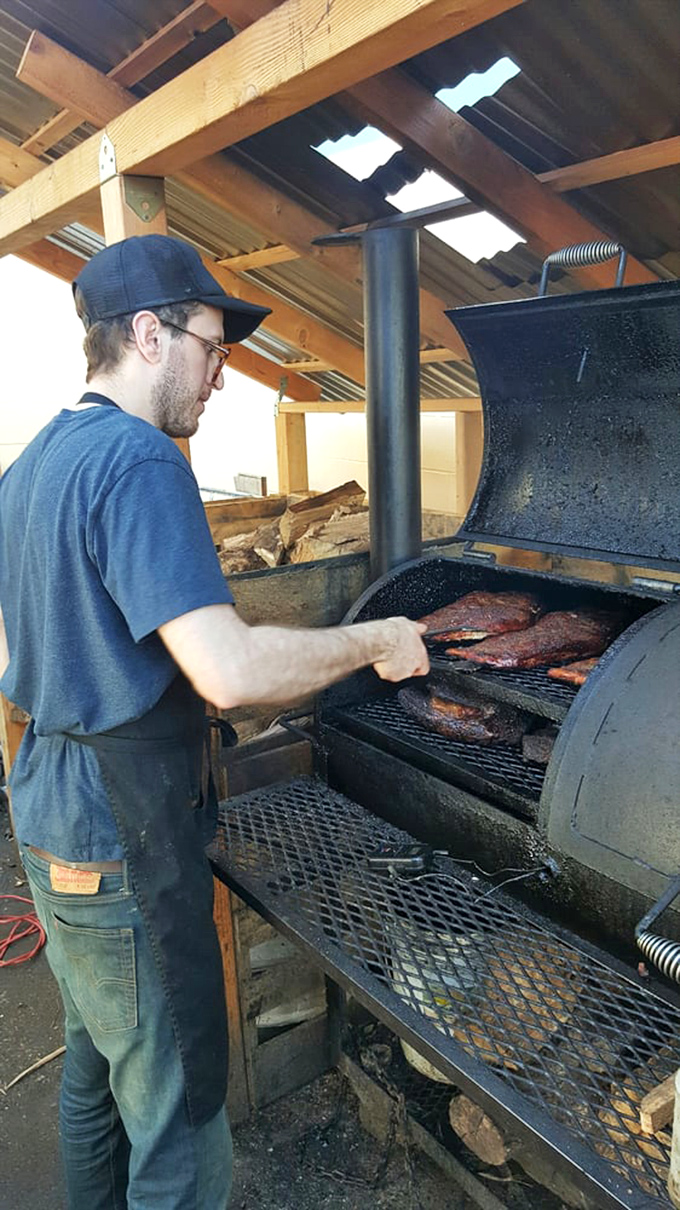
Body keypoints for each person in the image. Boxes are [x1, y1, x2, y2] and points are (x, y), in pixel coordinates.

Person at [0, 234, 428, 1210]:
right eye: (210, 345)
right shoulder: (141, 463)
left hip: (48, 819)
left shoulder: (33, 463)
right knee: (182, 1123)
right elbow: (227, 670)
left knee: (95, 1071)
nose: (223, 377)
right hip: (122, 843)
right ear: (148, 334)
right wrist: (373, 640)